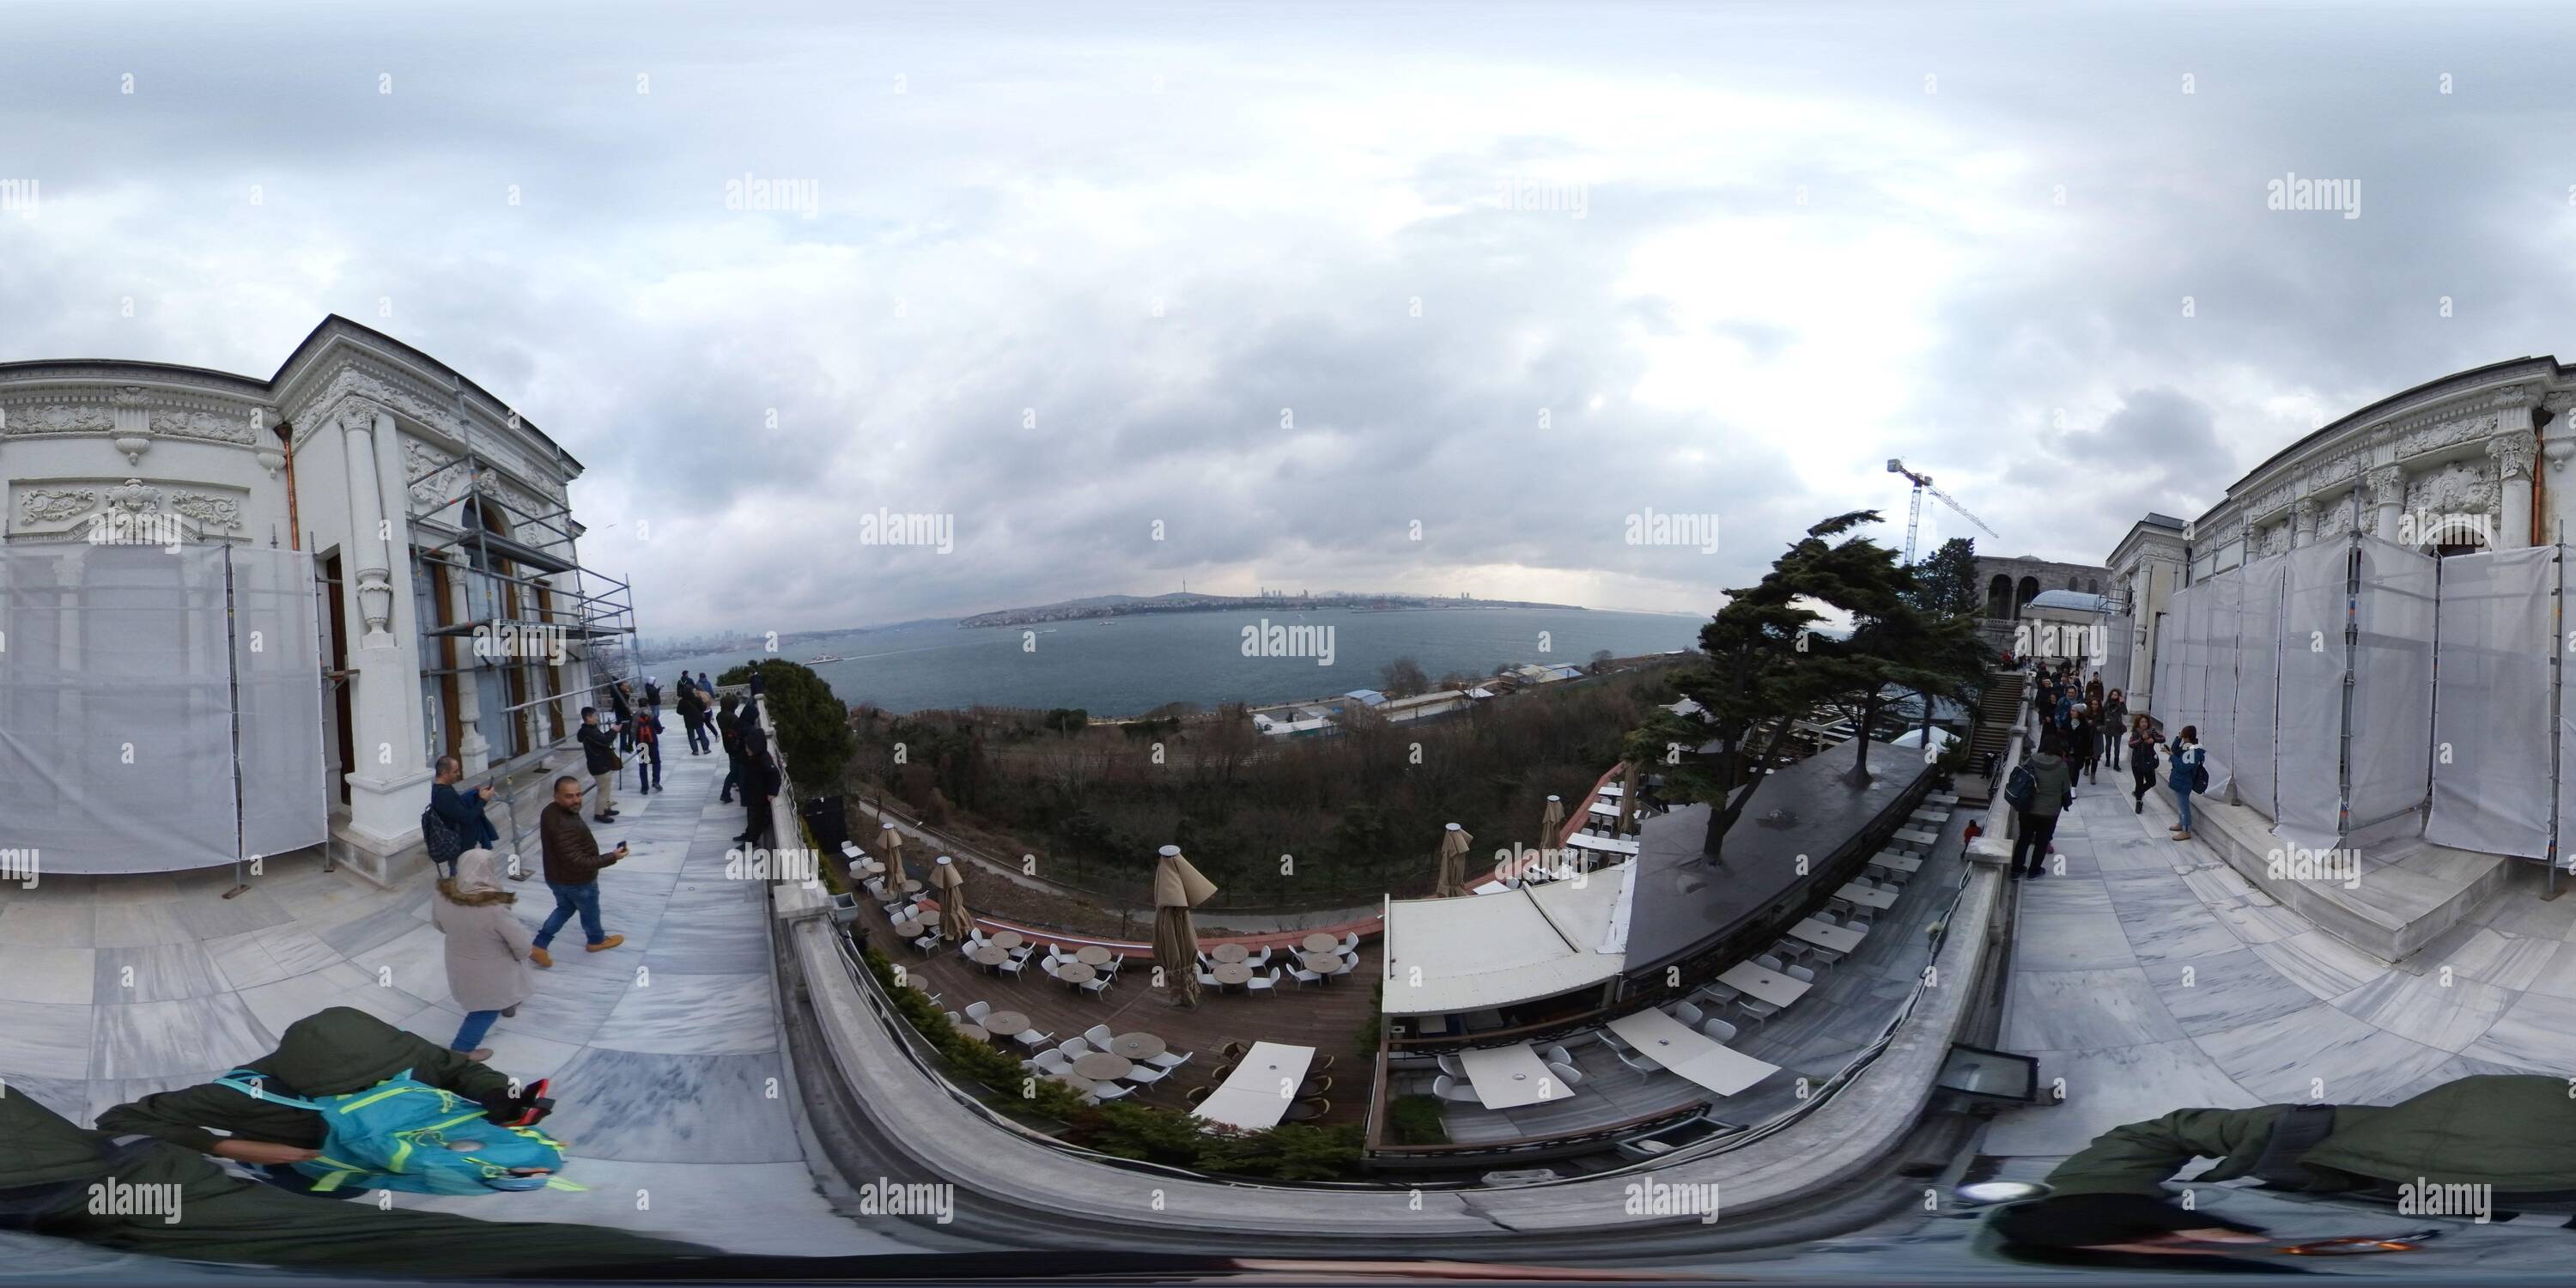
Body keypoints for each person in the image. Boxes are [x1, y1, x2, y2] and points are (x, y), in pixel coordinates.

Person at [1989, 1074, 2576, 1258]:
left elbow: (2165, 1131)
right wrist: (2093, 1195)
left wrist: (2092, 1190)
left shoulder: (2311, 1133)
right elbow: (2161, 1133)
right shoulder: (2307, 1132)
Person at [94, 1007, 545, 1199]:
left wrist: (502, 1097)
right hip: (298, 1176)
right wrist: (227, 1147)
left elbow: (456, 1069)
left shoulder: (400, 1053)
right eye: (364, 1090)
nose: (384, 1089)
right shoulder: (246, 1095)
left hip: (372, 1166)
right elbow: (120, 1119)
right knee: (321, 1196)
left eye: (389, 1080)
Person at [432, 847, 537, 1060]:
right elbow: (522, 943)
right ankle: (462, 1050)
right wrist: (520, 955)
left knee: (492, 995)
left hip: (458, 956)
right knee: (485, 1010)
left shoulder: (442, 895)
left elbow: (438, 924)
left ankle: (508, 1006)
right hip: (492, 967)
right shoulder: (495, 907)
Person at [534, 774, 626, 963]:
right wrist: (612, 857)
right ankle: (596, 941)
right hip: (577, 882)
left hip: (556, 877)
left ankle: (539, 945)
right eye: (569, 796)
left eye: (578, 794)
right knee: (590, 911)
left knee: (564, 908)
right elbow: (577, 862)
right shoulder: (564, 824)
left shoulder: (550, 810)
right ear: (556, 796)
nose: (576, 800)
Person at [2009, 732, 2075, 881]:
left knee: (2024, 838)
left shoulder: (2031, 760)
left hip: (2028, 808)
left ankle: (2016, 870)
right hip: (2050, 812)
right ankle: (2034, 871)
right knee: (2042, 842)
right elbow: (2066, 788)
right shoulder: (2062, 766)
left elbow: (2022, 779)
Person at [426, 755, 501, 877]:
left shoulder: (441, 789)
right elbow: (467, 818)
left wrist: (476, 795)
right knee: (462, 878)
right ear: (445, 773)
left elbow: (456, 808)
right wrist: (483, 800)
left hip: (460, 846)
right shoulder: (444, 795)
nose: (459, 774)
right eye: (455, 771)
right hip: (460, 848)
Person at [735, 712, 776, 847]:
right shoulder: (753, 757)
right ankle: (748, 834)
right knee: (751, 816)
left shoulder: (764, 760)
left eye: (748, 748)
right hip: (753, 793)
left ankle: (752, 841)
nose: (746, 750)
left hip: (760, 796)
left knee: (756, 819)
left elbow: (775, 776)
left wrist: (772, 793)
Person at [575, 705, 620, 823]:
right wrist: (614, 730)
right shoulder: (589, 732)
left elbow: (602, 738)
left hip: (600, 763)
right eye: (595, 716)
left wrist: (612, 731)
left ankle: (606, 808)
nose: (597, 718)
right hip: (599, 764)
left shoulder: (590, 729)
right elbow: (605, 741)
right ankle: (599, 814)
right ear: (588, 718)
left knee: (606, 788)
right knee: (603, 790)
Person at [2167, 724, 2205, 840]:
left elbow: (2182, 767)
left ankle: (2186, 831)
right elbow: (2174, 751)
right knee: (2180, 806)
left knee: (2184, 808)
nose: (2182, 739)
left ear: (2188, 737)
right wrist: (2178, 739)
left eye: (2183, 737)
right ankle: (2181, 823)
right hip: (2180, 781)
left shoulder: (2193, 752)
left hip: (2184, 783)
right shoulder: (2187, 747)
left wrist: (2172, 756)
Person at [2127, 714, 2161, 814]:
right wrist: (2142, 739)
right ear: (2138, 723)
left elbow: (2163, 739)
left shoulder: (2152, 732)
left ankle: (2138, 793)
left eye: (2145, 722)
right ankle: (2139, 802)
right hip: (2137, 763)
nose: (2144, 724)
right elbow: (2131, 744)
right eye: (2142, 722)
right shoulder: (2135, 733)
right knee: (2139, 783)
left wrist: (2154, 739)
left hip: (2148, 761)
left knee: (2152, 782)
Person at [630, 703, 664, 795]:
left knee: (643, 766)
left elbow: (631, 732)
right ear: (647, 705)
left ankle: (644, 788)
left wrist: (630, 744)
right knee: (656, 763)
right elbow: (660, 730)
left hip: (641, 744)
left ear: (639, 705)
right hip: (652, 743)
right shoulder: (652, 715)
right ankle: (656, 781)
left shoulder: (635, 716)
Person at [717, 692, 744, 804]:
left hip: (728, 745)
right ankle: (725, 794)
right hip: (735, 746)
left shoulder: (719, 715)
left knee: (735, 769)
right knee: (734, 771)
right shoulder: (733, 717)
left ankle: (738, 787)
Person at [2066, 703, 2099, 786]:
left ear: (2079, 713)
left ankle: (2073, 787)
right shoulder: (2067, 722)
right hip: (2067, 751)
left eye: (2074, 711)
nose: (2071, 712)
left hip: (2078, 752)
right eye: (2071, 710)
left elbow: (2086, 741)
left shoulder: (2084, 726)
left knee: (2076, 770)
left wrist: (2086, 753)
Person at [677, 679, 710, 755]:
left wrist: (685, 712)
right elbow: (703, 708)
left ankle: (695, 751)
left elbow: (679, 712)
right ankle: (706, 749)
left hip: (688, 721)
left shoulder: (682, 701)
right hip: (698, 719)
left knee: (691, 737)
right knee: (702, 735)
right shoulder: (697, 699)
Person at [2099, 688, 2127, 771]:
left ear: (2119, 696)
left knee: (2117, 746)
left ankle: (2116, 764)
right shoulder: (2107, 703)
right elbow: (2102, 711)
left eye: (2116, 695)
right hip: (2108, 727)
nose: (2114, 696)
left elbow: (2125, 712)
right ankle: (2108, 760)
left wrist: (2122, 703)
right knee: (2108, 745)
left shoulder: (2120, 704)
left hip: (2118, 727)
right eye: (2113, 694)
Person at [608, 678, 635, 753]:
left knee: (626, 732)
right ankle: (625, 746)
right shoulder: (620, 694)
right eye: (625, 686)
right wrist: (627, 695)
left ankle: (626, 746)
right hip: (623, 715)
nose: (627, 687)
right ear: (621, 686)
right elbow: (623, 705)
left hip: (623, 715)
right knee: (625, 732)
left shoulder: (620, 692)